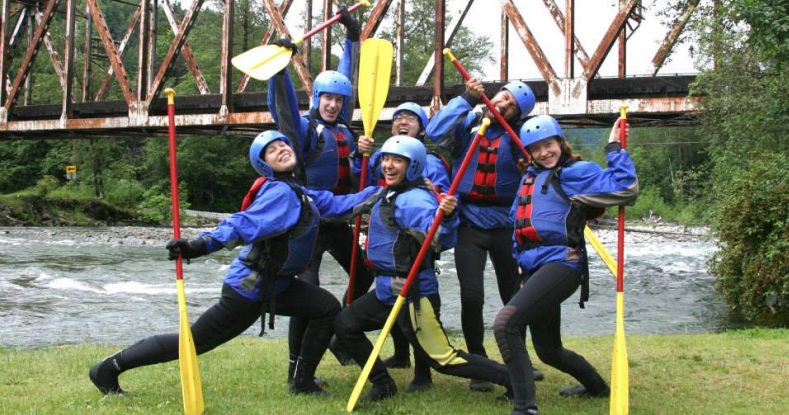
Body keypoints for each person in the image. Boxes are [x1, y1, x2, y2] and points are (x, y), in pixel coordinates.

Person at [88, 131, 380, 397]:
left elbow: (339, 205)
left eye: (283, 145)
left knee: (326, 308)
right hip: (249, 288)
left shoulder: (299, 192)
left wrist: (383, 190)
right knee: (194, 343)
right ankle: (109, 368)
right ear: (264, 165)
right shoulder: (279, 194)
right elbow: (241, 225)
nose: (281, 150)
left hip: (276, 285)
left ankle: (302, 382)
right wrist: (198, 245)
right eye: (272, 150)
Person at [333, 135, 512, 403]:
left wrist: (448, 216)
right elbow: (341, 205)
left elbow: (439, 237)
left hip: (413, 293)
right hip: (387, 290)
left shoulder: (414, 200)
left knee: (443, 359)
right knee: (345, 324)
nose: (388, 166)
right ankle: (383, 384)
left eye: (398, 161)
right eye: (386, 159)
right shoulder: (386, 192)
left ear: (413, 165)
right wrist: (304, 199)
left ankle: (514, 380)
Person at [494, 115, 638, 415]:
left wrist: (613, 148)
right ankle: (597, 388)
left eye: (549, 145)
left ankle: (524, 408)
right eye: (536, 149)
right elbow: (518, 226)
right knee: (548, 350)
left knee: (506, 324)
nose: (544, 153)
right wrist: (521, 266)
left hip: (563, 264)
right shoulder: (529, 178)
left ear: (560, 142)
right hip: (534, 267)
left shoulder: (575, 173)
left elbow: (626, 188)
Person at [267, 8, 374, 375]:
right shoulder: (302, 130)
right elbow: (281, 107)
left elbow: (348, 76)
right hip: (307, 225)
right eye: (326, 98)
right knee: (307, 297)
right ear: (317, 98)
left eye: (338, 100)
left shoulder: (344, 128)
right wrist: (280, 67)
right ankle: (297, 369)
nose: (332, 104)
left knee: (364, 277)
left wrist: (352, 37)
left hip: (338, 221)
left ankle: (339, 335)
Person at [425, 77, 543, 391]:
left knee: (514, 298)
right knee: (472, 296)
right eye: (502, 98)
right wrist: (465, 97)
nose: (503, 105)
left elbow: (545, 159)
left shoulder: (521, 137)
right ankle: (479, 364)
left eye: (511, 106)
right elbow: (434, 133)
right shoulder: (468, 125)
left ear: (518, 116)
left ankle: (519, 360)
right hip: (469, 224)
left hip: (506, 226)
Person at [354, 102, 450, 390]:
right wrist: (362, 156)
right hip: (387, 234)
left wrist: (442, 206)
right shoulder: (385, 155)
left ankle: (424, 374)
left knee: (414, 313)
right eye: (398, 118)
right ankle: (400, 356)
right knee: (390, 298)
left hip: (412, 242)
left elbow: (438, 199)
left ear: (422, 128)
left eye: (410, 118)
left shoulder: (428, 162)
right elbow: (369, 182)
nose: (402, 122)